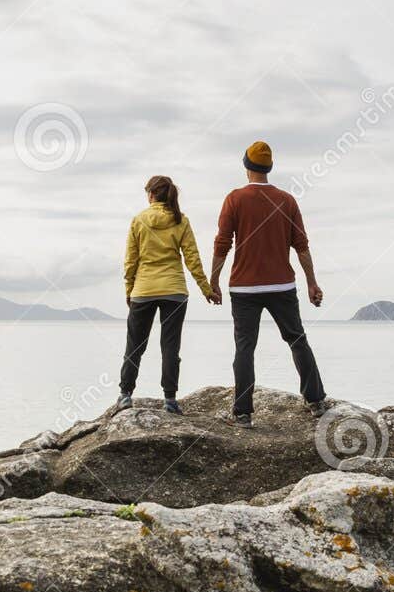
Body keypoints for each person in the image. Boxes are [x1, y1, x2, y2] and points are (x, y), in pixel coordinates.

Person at [206, 141, 328, 427]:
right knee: (297, 340)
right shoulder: (287, 200)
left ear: (246, 166)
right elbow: (302, 246)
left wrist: (213, 281)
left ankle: (244, 413)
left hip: (244, 289)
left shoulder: (234, 199)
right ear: (269, 168)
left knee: (245, 347)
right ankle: (316, 400)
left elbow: (222, 245)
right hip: (282, 286)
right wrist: (312, 283)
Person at [119, 175, 216, 414]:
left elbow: (131, 261)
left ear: (151, 195)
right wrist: (207, 289)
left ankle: (125, 395)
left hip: (144, 289)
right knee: (170, 347)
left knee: (135, 346)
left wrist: (129, 289)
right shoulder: (180, 220)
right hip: (174, 290)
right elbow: (192, 258)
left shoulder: (138, 220)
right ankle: (170, 400)